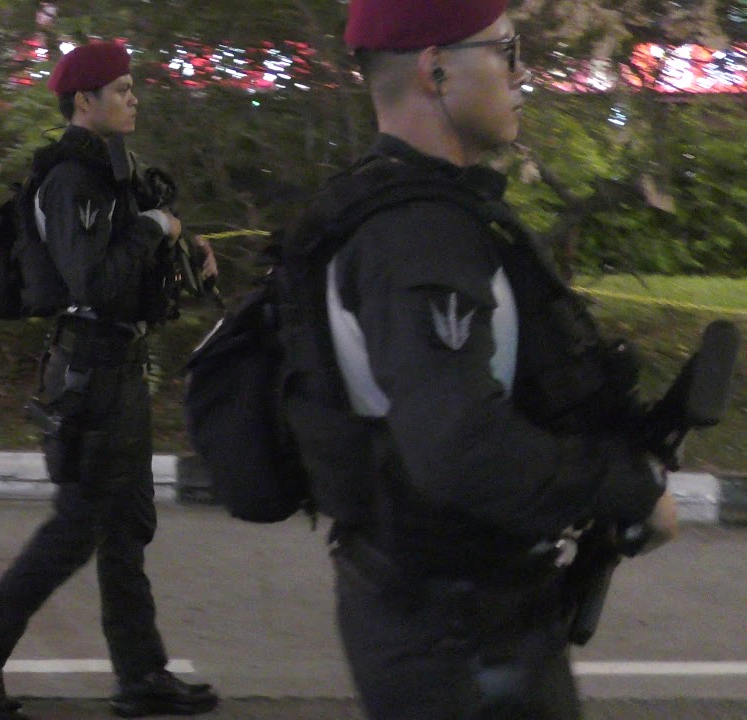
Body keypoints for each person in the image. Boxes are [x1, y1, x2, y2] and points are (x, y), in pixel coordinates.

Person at [287, 1, 682, 718]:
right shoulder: (417, 235)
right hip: (460, 638)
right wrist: (625, 489)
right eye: (507, 51)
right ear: (436, 69)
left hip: (446, 612)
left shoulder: (410, 208)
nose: (522, 74)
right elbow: (458, 445)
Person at [0, 41, 219, 720]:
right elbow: (93, 280)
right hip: (91, 373)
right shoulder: (71, 181)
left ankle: (141, 676)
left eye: (131, 87)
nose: (134, 98)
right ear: (84, 102)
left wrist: (185, 257)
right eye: (121, 89)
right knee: (76, 528)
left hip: (120, 366)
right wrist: (154, 228)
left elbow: (130, 270)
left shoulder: (114, 173)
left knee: (126, 527)